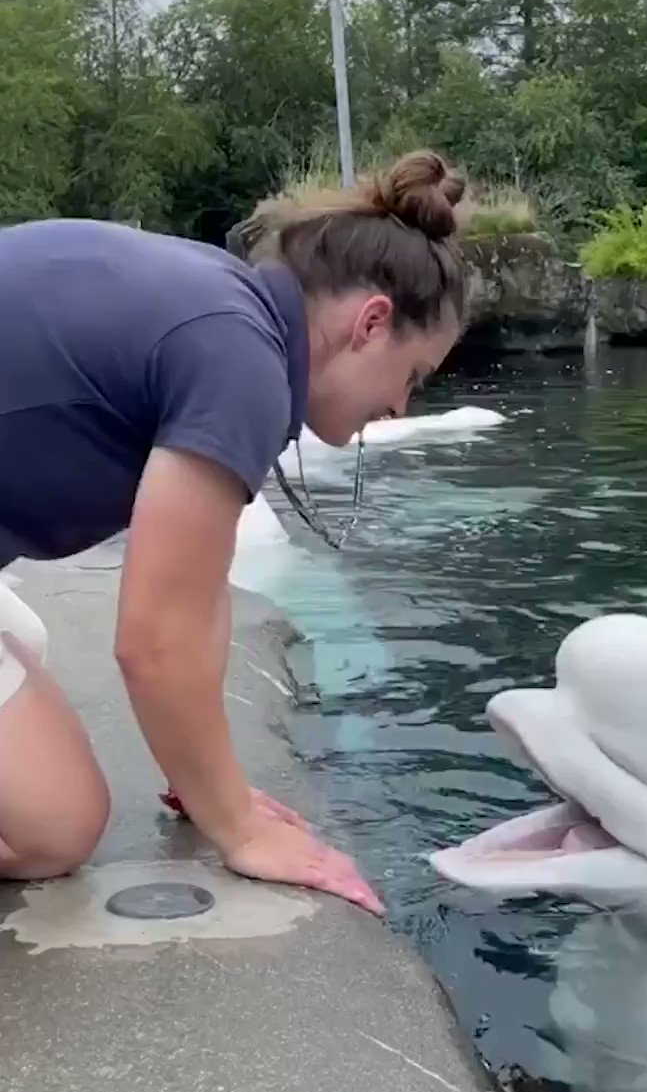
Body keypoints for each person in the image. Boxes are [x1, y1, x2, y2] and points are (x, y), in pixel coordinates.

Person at [0, 149, 467, 914]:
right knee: (55, 824)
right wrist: (239, 827)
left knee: (29, 645)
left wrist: (201, 776)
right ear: (372, 321)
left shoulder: (225, 304)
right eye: (412, 377)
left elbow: (198, 594)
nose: (401, 410)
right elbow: (156, 641)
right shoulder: (240, 359)